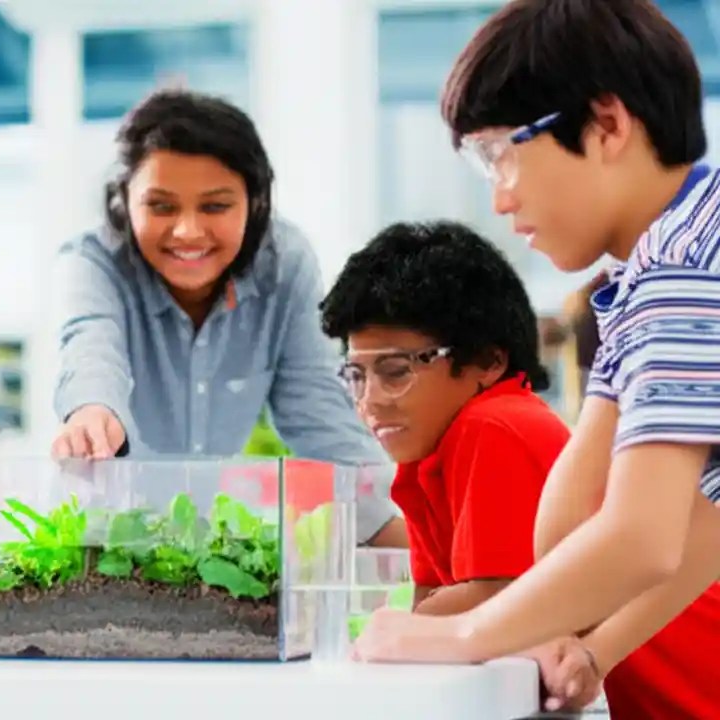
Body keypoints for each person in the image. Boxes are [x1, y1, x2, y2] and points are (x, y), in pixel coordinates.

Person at [352, 2, 720, 718]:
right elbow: (693, 520)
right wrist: (595, 650)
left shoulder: (682, 271)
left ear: (607, 125)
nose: (498, 197)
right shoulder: (655, 267)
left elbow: (641, 537)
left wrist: (462, 635)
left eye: (501, 154)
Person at [51, 88, 405, 547]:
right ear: (125, 200)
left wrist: (395, 527)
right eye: (161, 206)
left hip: (206, 545)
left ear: (255, 203)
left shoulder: (285, 264)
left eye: (215, 206)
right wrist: (93, 411)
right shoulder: (93, 262)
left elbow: (318, 410)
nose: (187, 231)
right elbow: (90, 346)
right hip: (104, 537)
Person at [321, 220, 567, 616]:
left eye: (396, 371)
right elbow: (432, 596)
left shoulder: (495, 426)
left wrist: (385, 630)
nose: (370, 401)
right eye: (356, 375)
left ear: (487, 360)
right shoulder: (425, 452)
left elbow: (496, 602)